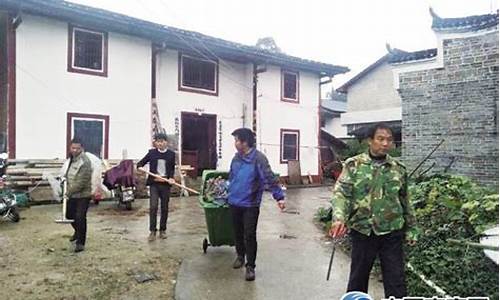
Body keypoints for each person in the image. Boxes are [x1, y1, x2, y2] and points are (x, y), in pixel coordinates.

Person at [330, 123, 418, 298]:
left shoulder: (398, 169)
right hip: (363, 230)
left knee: (396, 280)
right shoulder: (354, 165)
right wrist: (338, 218)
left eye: (389, 140)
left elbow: (405, 201)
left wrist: (412, 229)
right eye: (380, 139)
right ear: (370, 141)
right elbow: (342, 194)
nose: (385, 144)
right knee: (358, 279)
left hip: (392, 231)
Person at [228, 128, 286, 281]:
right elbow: (231, 177)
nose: (235, 143)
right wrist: (227, 193)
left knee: (249, 234)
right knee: (237, 232)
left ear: (245, 142)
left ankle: (250, 266)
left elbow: (269, 177)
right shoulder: (236, 158)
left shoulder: (258, 159)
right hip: (234, 201)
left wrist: (279, 197)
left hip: (250, 204)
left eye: (237, 140)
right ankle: (240, 256)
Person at [137, 133, 176, 241]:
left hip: (165, 184)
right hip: (154, 184)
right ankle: (152, 231)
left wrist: (171, 178)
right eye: (158, 141)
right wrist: (139, 167)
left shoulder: (171, 154)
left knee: (164, 208)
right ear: (155, 143)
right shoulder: (152, 153)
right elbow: (140, 163)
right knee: (153, 207)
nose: (160, 143)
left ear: (166, 142)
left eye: (162, 141)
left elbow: (172, 169)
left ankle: (162, 230)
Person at [65, 138, 93, 253]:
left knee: (80, 217)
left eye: (77, 148)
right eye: (73, 148)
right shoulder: (71, 158)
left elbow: (81, 182)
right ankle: (78, 231)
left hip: (83, 194)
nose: (75, 150)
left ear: (82, 148)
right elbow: (68, 172)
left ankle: (81, 243)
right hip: (72, 193)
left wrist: (68, 192)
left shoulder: (85, 162)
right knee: (69, 215)